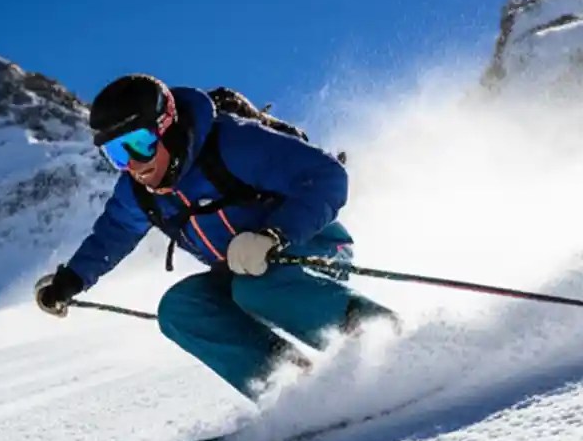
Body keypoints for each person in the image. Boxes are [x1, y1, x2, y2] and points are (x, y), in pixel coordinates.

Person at [35, 74, 394, 399]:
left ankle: (386, 346)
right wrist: (70, 281)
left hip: (312, 245)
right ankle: (294, 391)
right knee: (180, 309)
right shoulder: (139, 191)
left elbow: (327, 175)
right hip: (243, 273)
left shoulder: (232, 144)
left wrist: (274, 234)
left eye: (139, 144)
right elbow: (113, 234)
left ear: (166, 127)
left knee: (257, 287)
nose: (132, 164)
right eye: (115, 153)